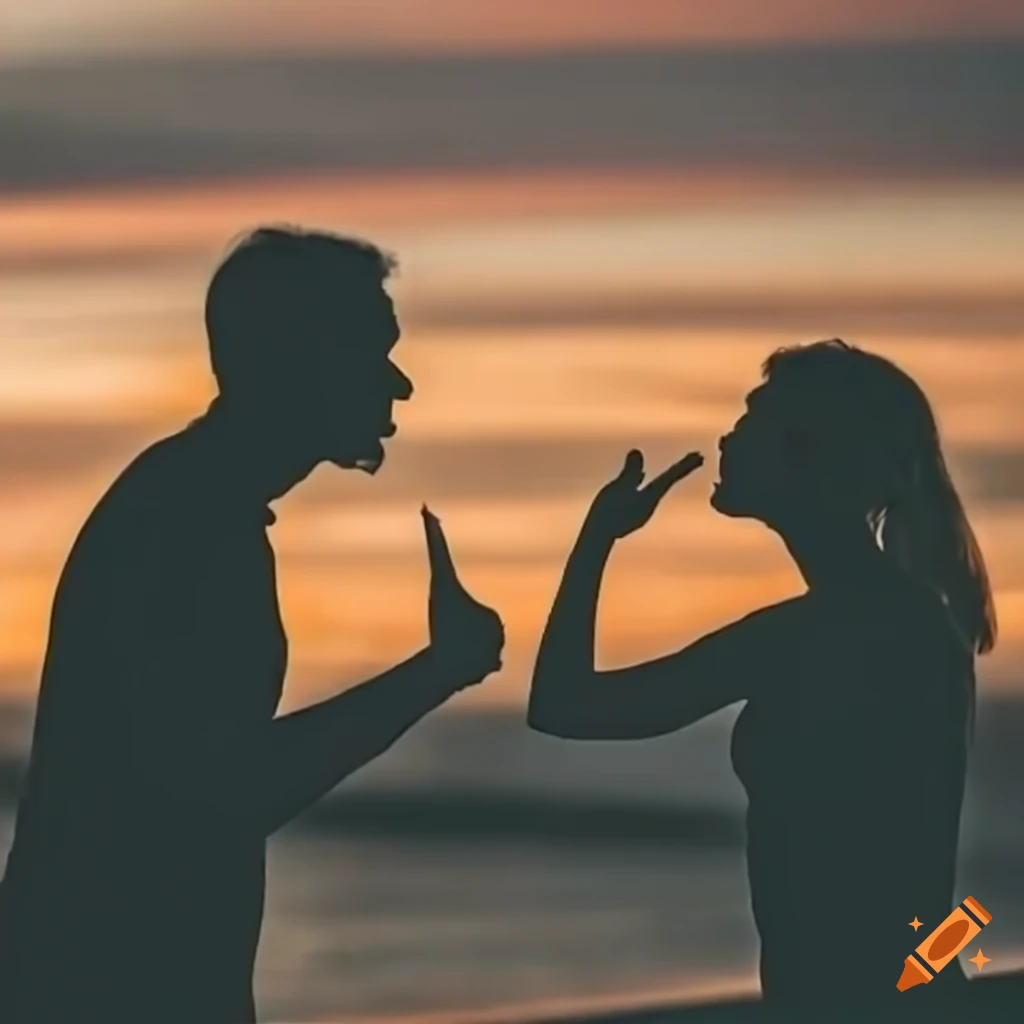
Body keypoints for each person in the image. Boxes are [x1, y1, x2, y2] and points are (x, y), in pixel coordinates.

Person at [0, 227, 505, 1023]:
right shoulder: (188, 523)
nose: (400, 384)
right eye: (374, 352)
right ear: (300, 363)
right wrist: (436, 672)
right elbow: (224, 791)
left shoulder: (193, 504)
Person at [527, 339, 995, 1013]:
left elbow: (564, 705)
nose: (727, 438)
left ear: (808, 456)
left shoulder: (831, 632)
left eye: (752, 419)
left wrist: (597, 537)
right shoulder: (899, 620)